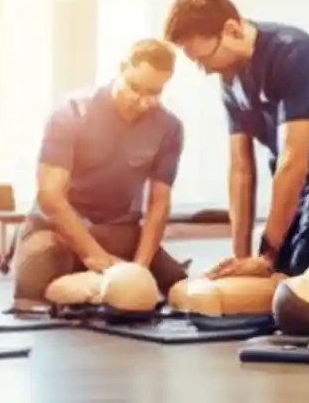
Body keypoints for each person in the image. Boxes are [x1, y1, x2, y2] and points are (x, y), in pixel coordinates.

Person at [163, 0, 309, 278]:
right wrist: (240, 257)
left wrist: (267, 252)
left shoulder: (293, 53)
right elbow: (241, 171)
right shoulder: (229, 77)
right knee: (270, 268)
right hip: (295, 173)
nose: (205, 72)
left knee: (301, 272)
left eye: (205, 60)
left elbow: (295, 160)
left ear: (231, 29)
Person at [10, 39, 189, 309]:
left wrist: (137, 270)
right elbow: (50, 196)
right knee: (31, 286)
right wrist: (92, 255)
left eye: (154, 93)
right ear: (121, 69)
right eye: (136, 88)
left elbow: (159, 203)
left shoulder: (169, 127)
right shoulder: (71, 113)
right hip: (56, 228)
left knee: (177, 285)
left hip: (119, 230)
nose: (143, 102)